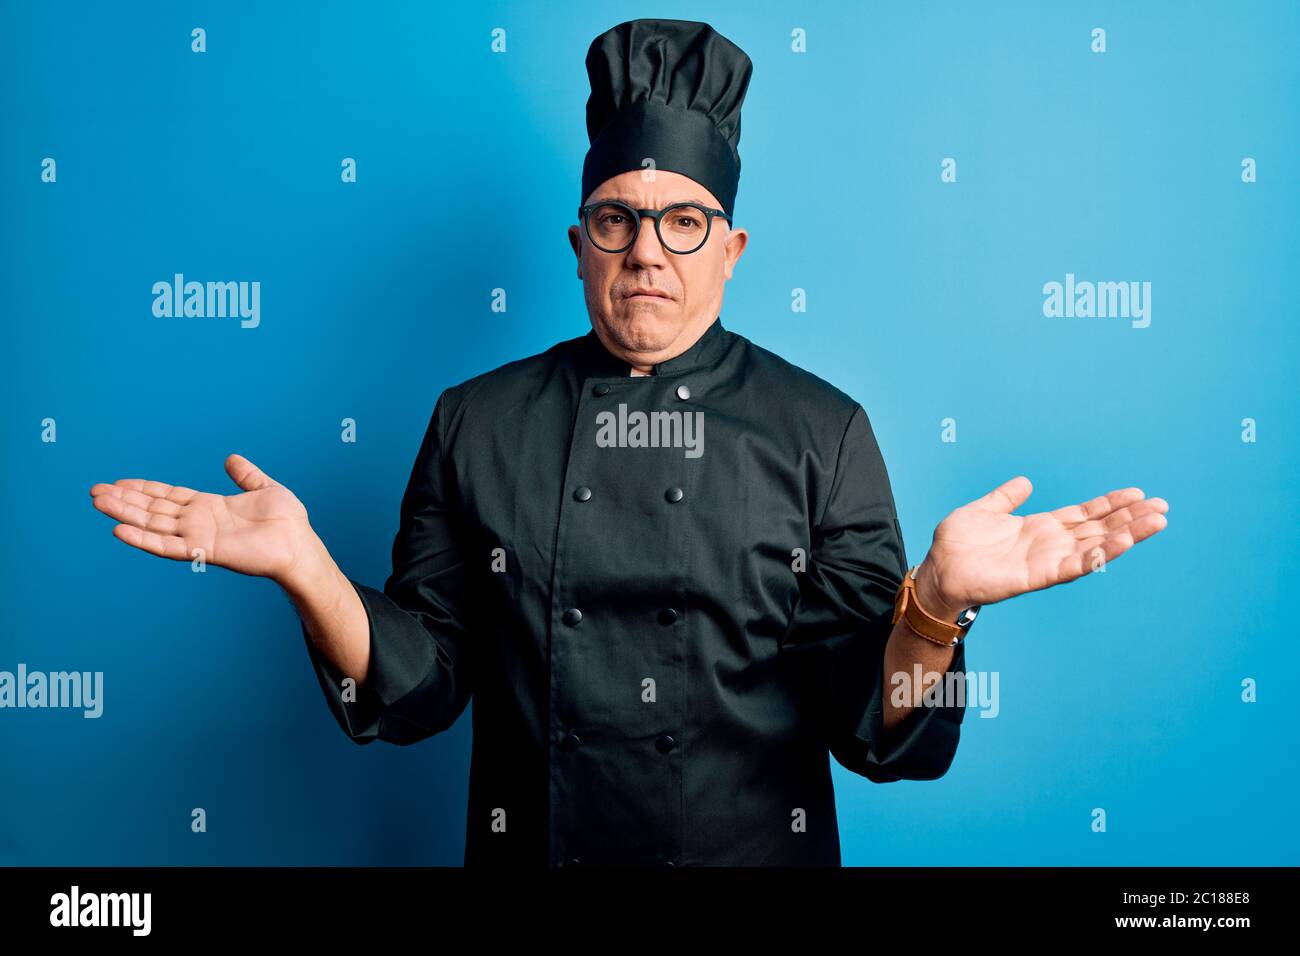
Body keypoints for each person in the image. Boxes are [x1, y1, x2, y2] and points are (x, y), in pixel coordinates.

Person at [88, 18, 1169, 866]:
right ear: (578, 244)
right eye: (616, 217)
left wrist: (932, 608)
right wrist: (308, 572)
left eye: (682, 219)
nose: (647, 249)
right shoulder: (476, 419)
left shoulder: (821, 430)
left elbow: (889, 741)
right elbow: (420, 690)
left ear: (731, 247)